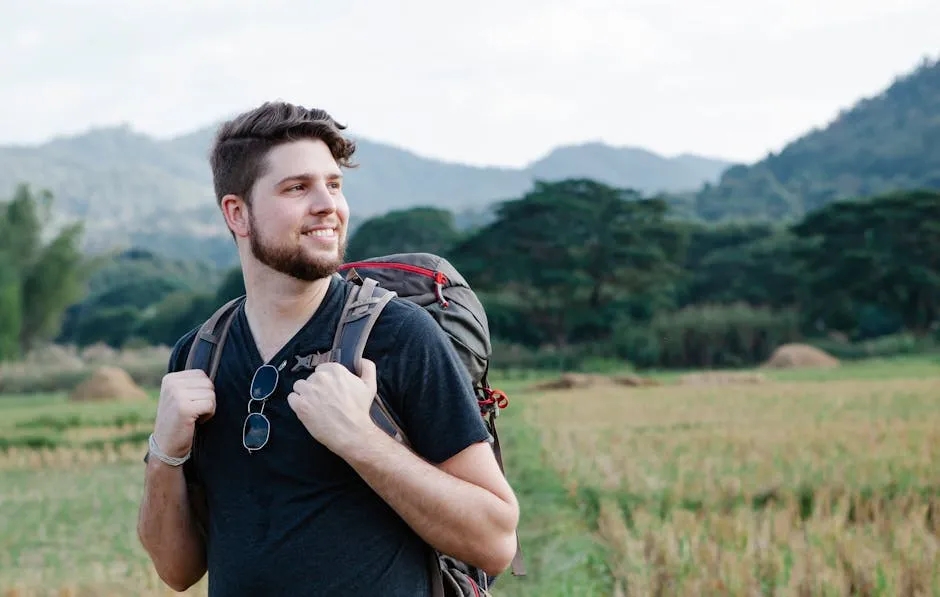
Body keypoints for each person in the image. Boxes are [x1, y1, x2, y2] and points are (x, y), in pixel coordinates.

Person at [136, 101, 520, 596]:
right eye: (297, 188)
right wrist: (164, 451)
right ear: (238, 214)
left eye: (333, 185)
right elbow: (177, 570)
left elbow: (494, 541)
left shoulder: (399, 336)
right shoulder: (199, 355)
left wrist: (359, 439)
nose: (328, 205)